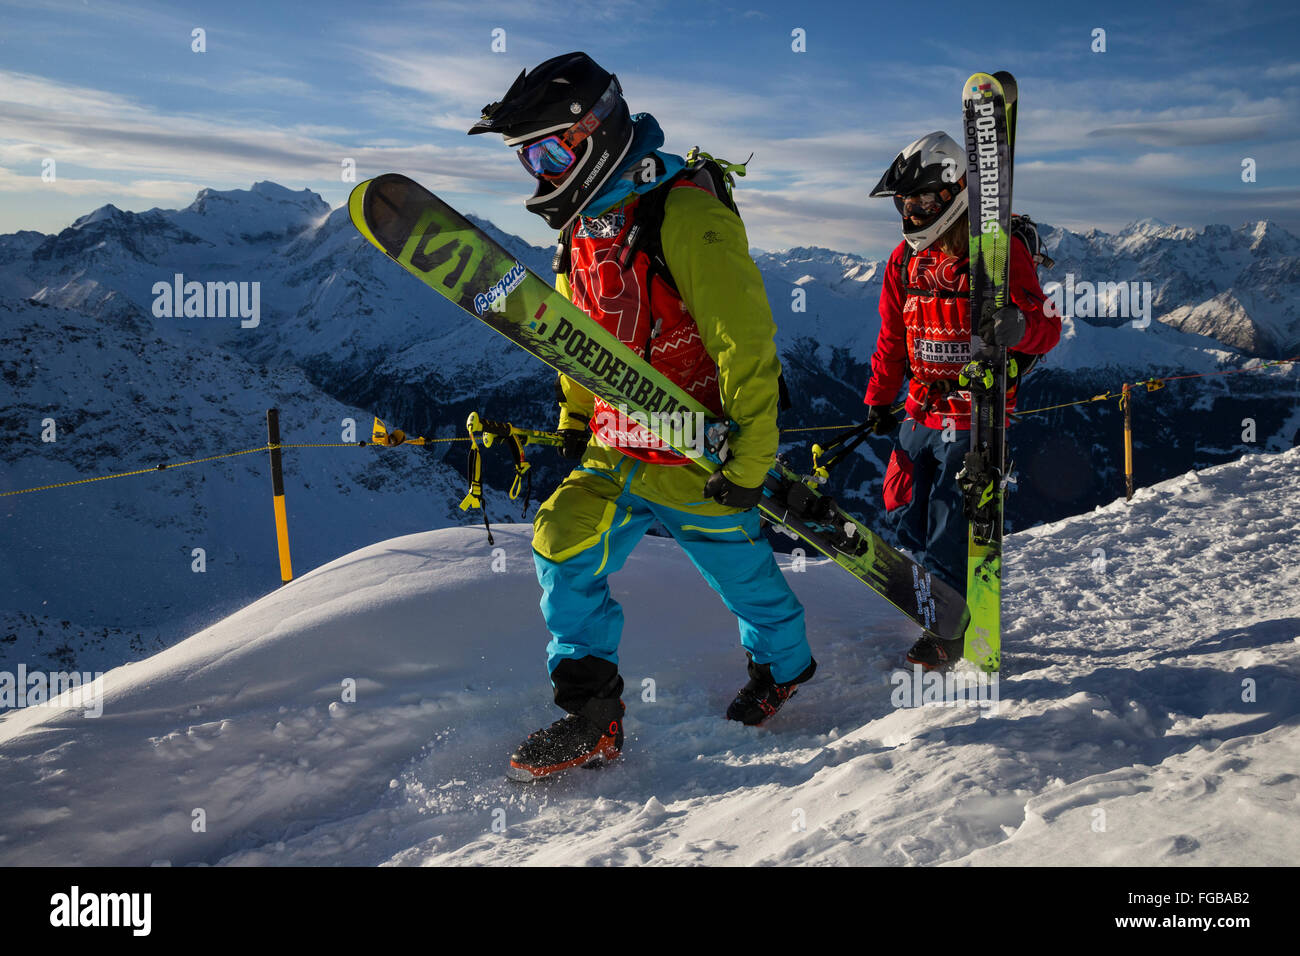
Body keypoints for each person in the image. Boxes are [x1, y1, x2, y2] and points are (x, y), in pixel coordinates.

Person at [467, 52, 815, 780]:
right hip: (616, 444)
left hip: (696, 454)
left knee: (744, 579)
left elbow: (744, 342)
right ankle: (592, 715)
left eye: (549, 150)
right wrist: (575, 414)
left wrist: (751, 463)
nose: (540, 173)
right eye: (527, 158)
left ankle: (783, 667)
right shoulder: (580, 229)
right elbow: (576, 334)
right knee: (560, 542)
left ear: (595, 133)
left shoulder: (684, 212)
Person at [862, 131, 1060, 671]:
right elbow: (891, 338)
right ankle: (933, 598)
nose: (911, 210)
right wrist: (880, 399)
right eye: (905, 201)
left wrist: (1016, 326)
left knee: (953, 514)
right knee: (904, 509)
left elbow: (1046, 330)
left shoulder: (997, 254)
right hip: (919, 406)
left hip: (976, 410)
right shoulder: (903, 261)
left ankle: (947, 628)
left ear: (953, 194)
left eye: (921, 199)